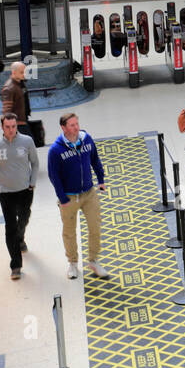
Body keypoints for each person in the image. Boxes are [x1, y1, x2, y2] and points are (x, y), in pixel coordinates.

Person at [46, 112, 109, 280]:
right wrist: (62, 198)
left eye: (77, 124)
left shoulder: (87, 140)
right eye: (72, 125)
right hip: (69, 197)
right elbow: (54, 176)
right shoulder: (55, 150)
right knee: (69, 231)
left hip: (89, 193)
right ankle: (72, 263)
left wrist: (101, 179)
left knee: (95, 227)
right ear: (63, 128)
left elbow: (95, 159)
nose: (76, 127)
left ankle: (94, 261)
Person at [0, 113, 38, 280]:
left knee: (24, 218)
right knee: (10, 227)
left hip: (25, 190)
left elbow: (35, 163)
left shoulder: (27, 141)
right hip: (5, 193)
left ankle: (21, 237)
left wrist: (32, 182)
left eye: (13, 126)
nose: (11, 130)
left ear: (16, 126)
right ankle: (16, 265)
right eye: (7, 127)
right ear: (2, 127)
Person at [0, 60, 31, 127]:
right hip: (17, 123)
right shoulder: (9, 88)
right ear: (14, 72)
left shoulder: (20, 83)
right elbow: (7, 109)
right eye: (21, 72)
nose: (24, 74)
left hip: (23, 119)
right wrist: (10, 125)